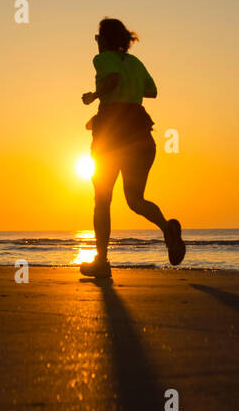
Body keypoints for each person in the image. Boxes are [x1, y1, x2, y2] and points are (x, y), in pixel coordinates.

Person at [79, 17, 184, 279]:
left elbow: (112, 80)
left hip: (113, 139)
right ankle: (166, 229)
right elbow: (152, 91)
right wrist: (127, 92)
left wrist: (94, 96)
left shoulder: (101, 59)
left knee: (102, 200)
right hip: (141, 136)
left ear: (103, 40)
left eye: (97, 37)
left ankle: (101, 262)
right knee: (135, 200)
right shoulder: (136, 63)